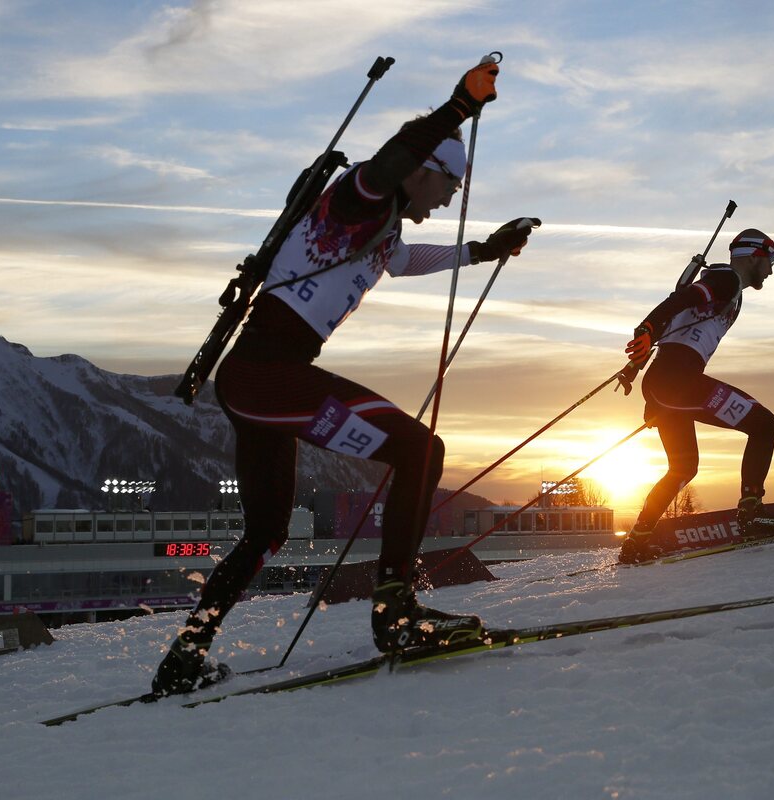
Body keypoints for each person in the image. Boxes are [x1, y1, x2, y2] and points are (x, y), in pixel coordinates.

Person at [153, 59, 539, 696]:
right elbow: (387, 162)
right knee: (421, 451)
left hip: (259, 382)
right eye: (449, 188)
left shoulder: (382, 233)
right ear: (425, 170)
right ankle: (397, 614)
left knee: (268, 531)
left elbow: (412, 259)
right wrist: (458, 107)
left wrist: (485, 250)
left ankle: (186, 652)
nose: (447, 204)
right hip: (267, 376)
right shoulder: (358, 201)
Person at [617, 230, 774, 564]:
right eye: (771, 261)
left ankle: (637, 541)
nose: (771, 270)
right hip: (678, 381)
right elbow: (679, 301)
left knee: (682, 468)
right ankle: (751, 513)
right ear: (755, 256)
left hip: (665, 382)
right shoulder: (727, 280)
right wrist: (646, 330)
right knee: (765, 425)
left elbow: (672, 321)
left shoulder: (724, 285)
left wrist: (635, 367)